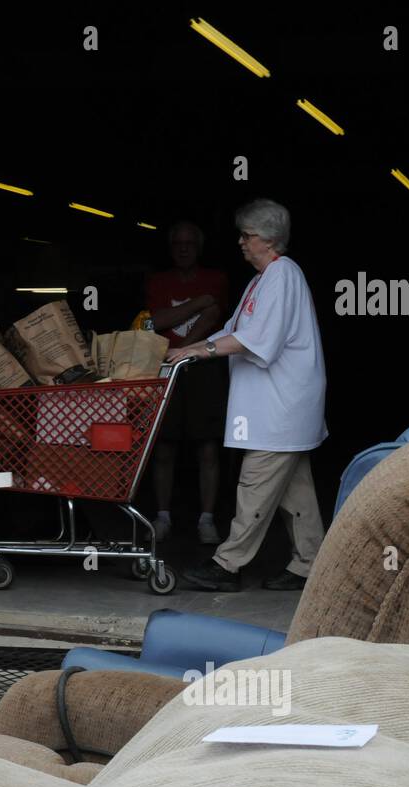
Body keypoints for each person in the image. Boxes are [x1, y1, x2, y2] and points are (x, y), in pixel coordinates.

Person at [168, 199, 327, 592]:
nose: (240, 242)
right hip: (280, 410)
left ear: (269, 240)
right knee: (296, 493)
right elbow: (232, 329)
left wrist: (198, 351)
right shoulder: (263, 279)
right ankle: (311, 563)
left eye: (247, 235)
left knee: (254, 486)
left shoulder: (282, 276)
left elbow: (259, 340)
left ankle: (228, 564)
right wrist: (192, 348)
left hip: (280, 409)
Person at [134, 220, 229, 543]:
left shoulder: (216, 278)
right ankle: (163, 518)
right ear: (171, 248)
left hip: (204, 370)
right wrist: (199, 303)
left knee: (208, 447)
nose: (184, 248)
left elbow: (214, 315)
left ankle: (206, 520)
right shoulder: (158, 281)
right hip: (164, 370)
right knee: (163, 447)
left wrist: (184, 349)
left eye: (190, 243)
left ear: (199, 247)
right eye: (178, 244)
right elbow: (152, 323)